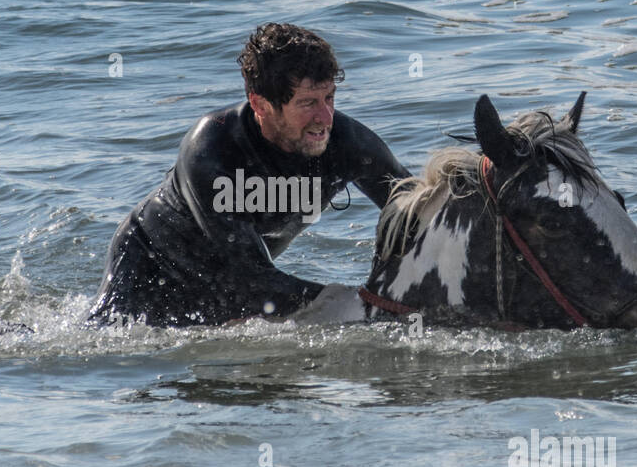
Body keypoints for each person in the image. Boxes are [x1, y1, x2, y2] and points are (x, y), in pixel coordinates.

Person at [87, 23, 410, 326]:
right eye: (308, 103)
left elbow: (419, 212)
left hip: (231, 283)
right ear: (260, 104)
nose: (325, 118)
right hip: (149, 270)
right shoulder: (213, 149)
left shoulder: (347, 143)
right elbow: (247, 279)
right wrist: (359, 305)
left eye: (329, 98)